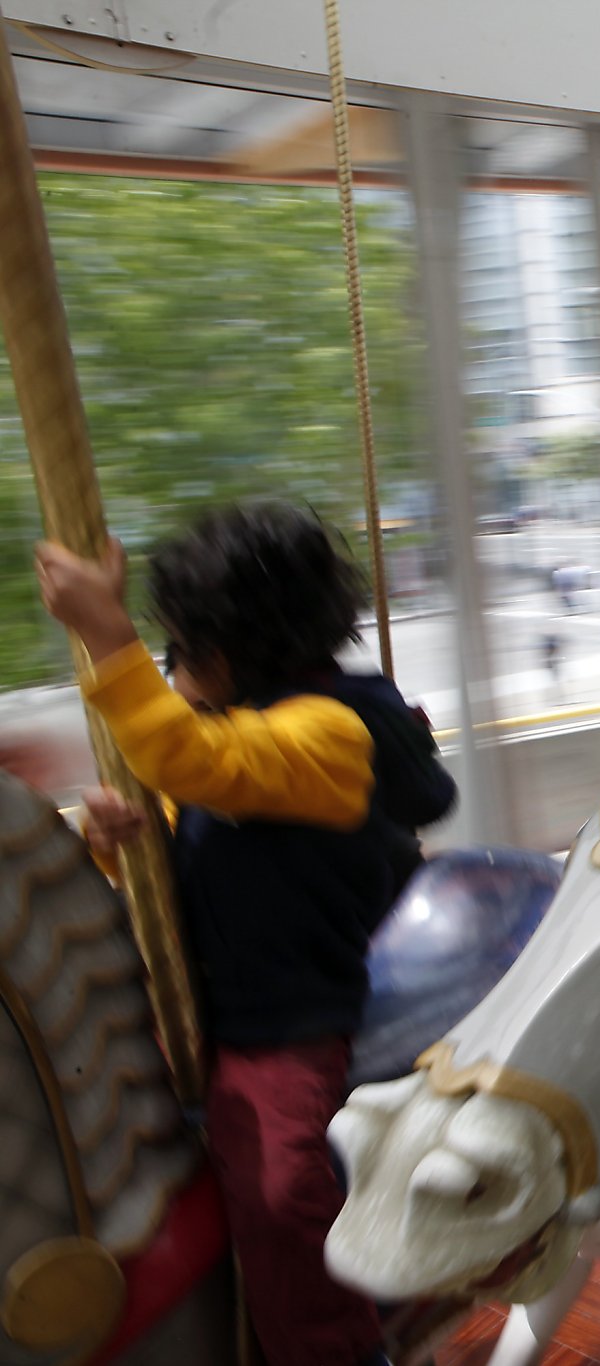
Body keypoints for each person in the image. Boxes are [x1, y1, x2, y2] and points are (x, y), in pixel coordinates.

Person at [34, 502, 456, 1366]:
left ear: (233, 653)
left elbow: (197, 764)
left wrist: (106, 634)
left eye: (181, 651)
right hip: (207, 1003)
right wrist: (121, 845)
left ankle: (335, 1351)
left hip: (288, 1014)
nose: (173, 672)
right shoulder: (244, 729)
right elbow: (183, 818)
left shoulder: (331, 733)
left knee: (278, 1186)